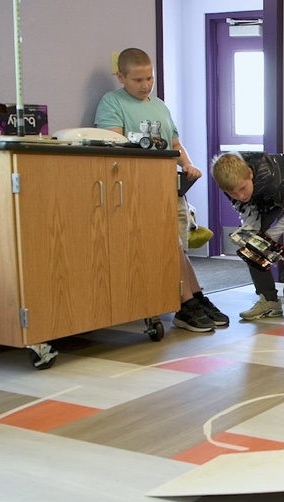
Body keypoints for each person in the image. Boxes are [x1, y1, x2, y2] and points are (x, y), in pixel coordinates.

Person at [95, 47, 228, 333]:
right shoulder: (112, 103)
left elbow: (175, 143)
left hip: (169, 188)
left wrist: (189, 165)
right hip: (137, 190)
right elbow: (114, 146)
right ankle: (184, 304)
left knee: (178, 248)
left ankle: (195, 297)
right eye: (138, 80)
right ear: (121, 77)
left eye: (149, 79)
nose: (145, 86)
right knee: (167, 248)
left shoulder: (159, 105)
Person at [211, 151, 284, 323]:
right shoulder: (230, 183)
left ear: (250, 174)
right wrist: (251, 235)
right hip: (264, 194)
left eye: (242, 189)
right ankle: (268, 300)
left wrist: (269, 236)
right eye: (233, 193)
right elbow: (246, 208)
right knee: (251, 244)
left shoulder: (274, 182)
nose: (240, 196)